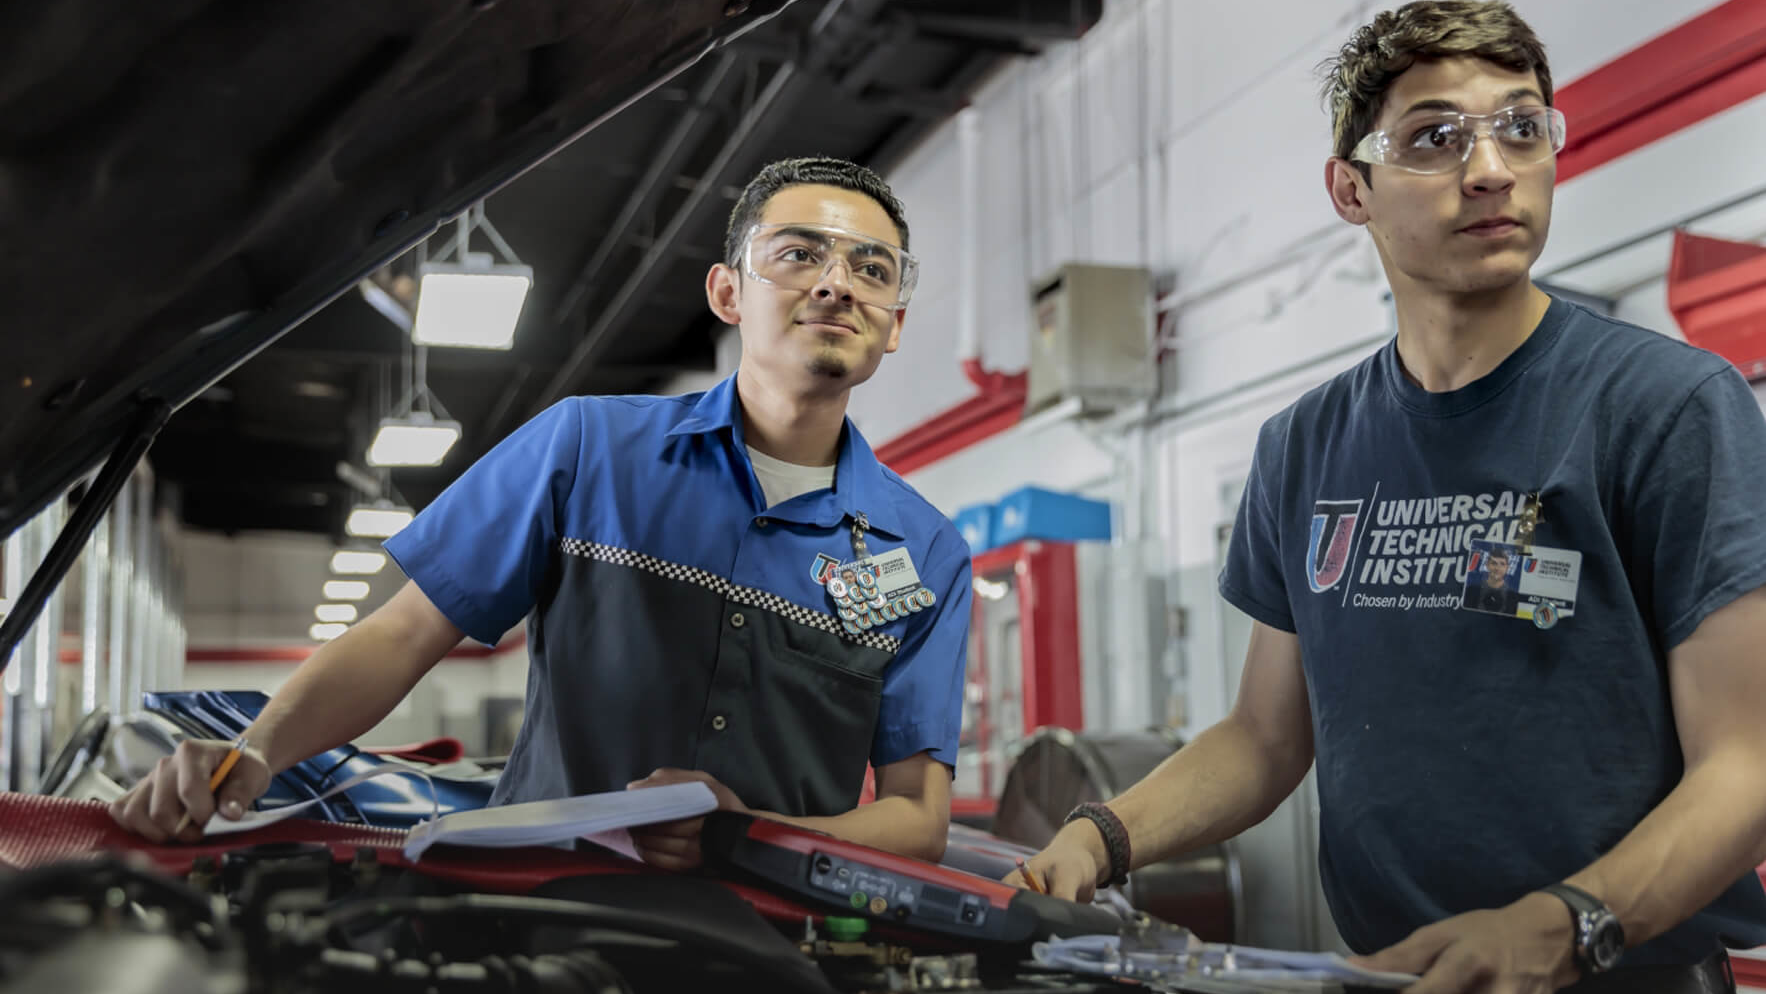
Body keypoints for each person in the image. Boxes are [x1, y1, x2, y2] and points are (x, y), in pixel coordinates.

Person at [1011, 3, 1766, 991]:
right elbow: (1264, 737)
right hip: (1391, 975)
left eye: (1520, 125)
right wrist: (1102, 832)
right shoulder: (1302, 447)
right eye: (1433, 138)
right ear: (1348, 187)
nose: (1489, 166)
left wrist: (1560, 925)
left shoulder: (1664, 407)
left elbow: (1745, 764)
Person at [111, 157, 974, 871]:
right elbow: (403, 634)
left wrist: (743, 838)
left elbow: (915, 819)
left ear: (894, 324)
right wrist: (255, 755)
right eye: (798, 254)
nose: (837, 284)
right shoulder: (585, 449)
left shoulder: (925, 554)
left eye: (872, 268)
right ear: (726, 293)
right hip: (531, 909)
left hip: (771, 941)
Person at [1462, 544, 1518, 615]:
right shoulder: (1471, 591)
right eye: (1494, 563)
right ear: (1487, 565)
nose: (1497, 568)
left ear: (1507, 568)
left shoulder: (1513, 597)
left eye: (1502, 564)